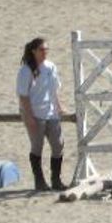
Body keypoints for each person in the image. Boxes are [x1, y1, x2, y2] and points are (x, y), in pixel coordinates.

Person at [17, 37, 68, 191]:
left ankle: (56, 180)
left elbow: (53, 89)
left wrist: (59, 106)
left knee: (58, 145)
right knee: (37, 147)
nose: (45, 52)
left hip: (50, 112)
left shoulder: (50, 67)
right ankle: (39, 181)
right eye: (41, 50)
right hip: (35, 113)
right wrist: (29, 116)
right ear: (34, 51)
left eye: (46, 50)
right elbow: (23, 96)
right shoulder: (26, 70)